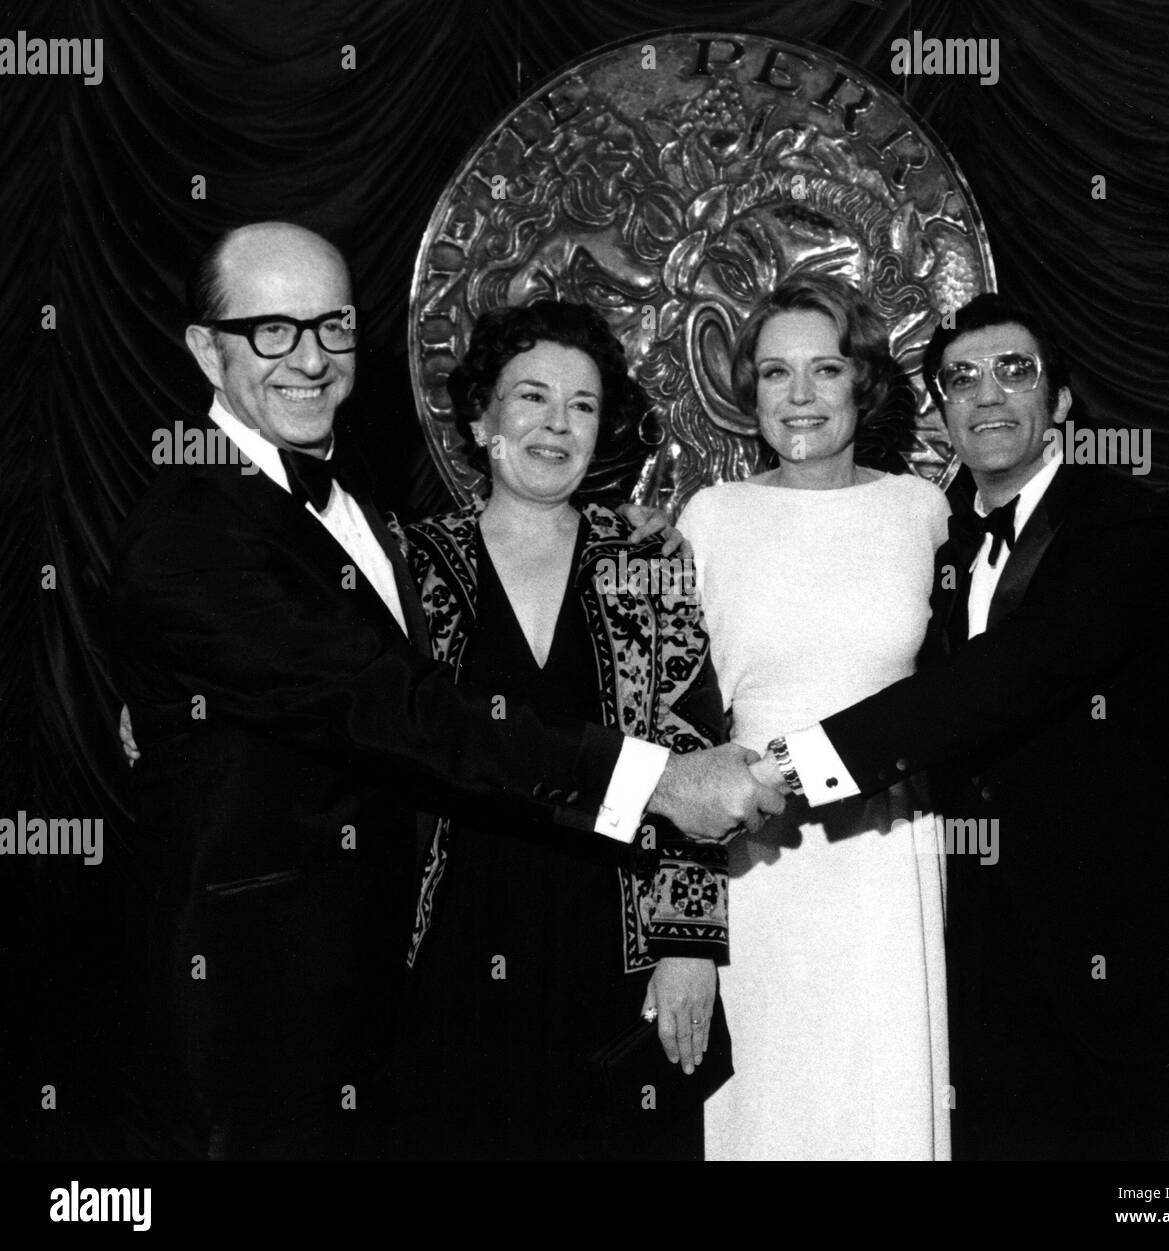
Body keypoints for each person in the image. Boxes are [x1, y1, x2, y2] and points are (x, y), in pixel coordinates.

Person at [110, 222, 782, 1159]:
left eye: (331, 325)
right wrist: (659, 783)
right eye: (271, 330)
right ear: (205, 349)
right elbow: (390, 706)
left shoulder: (375, 525)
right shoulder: (196, 533)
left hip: (505, 958)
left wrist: (687, 934)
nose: (309, 357)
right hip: (282, 981)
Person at [752, 292, 1169, 1160]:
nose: (987, 396)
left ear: (1059, 401)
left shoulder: (1130, 527)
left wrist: (799, 766)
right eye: (962, 379)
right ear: (943, 410)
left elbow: (1011, 676)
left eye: (1013, 372)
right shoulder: (942, 542)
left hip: (1140, 983)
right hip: (991, 991)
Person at [386, 300, 729, 1160]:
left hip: (612, 934)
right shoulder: (408, 561)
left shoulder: (646, 556)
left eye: (581, 404)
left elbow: (693, 741)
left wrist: (688, 944)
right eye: (531, 397)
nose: (557, 423)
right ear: (480, 417)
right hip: (451, 934)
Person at [676, 275, 952, 1160]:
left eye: (824, 370)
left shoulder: (923, 510)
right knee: (770, 1107)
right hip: (756, 857)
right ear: (746, 390)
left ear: (860, 383)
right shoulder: (709, 519)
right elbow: (674, 722)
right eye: (774, 373)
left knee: (885, 1104)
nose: (799, 397)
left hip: (888, 854)